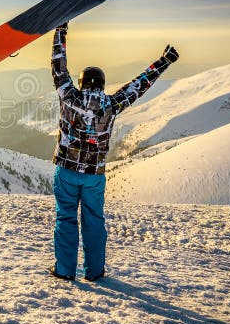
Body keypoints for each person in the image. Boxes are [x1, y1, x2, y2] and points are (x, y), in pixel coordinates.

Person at [49, 22, 178, 281]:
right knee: (94, 221)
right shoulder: (112, 104)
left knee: (65, 218)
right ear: (102, 84)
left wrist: (60, 31)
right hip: (95, 176)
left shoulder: (69, 96)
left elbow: (58, 65)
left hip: (67, 170)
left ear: (82, 82)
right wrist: (164, 61)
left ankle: (64, 270)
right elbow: (138, 86)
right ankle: (94, 272)